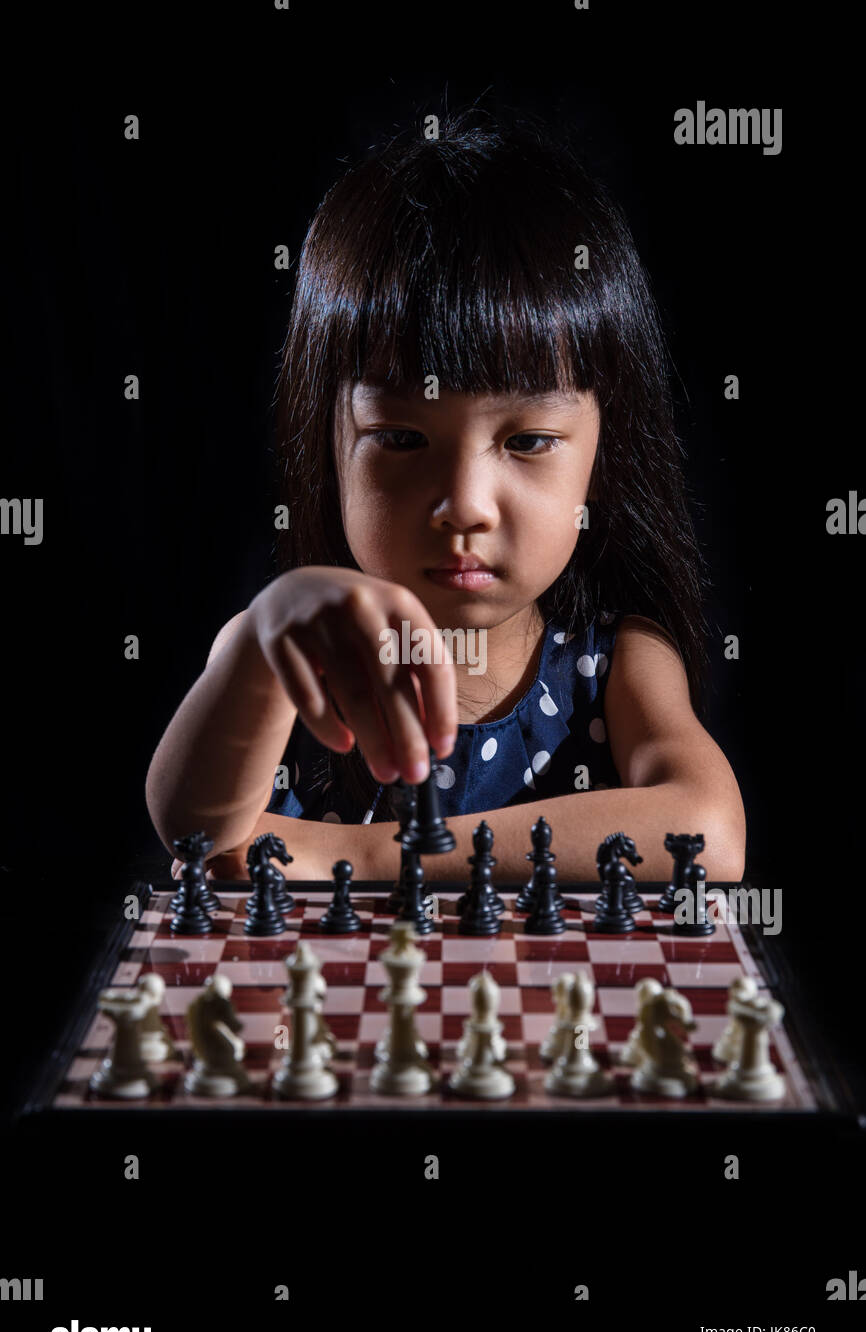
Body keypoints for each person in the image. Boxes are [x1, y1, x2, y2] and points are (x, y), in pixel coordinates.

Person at [145, 107, 745, 886]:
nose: (464, 504)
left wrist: (366, 857)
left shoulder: (618, 663)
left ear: (602, 454)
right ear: (328, 440)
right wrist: (262, 643)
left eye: (526, 441)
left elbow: (709, 831)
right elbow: (193, 832)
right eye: (400, 438)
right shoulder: (284, 655)